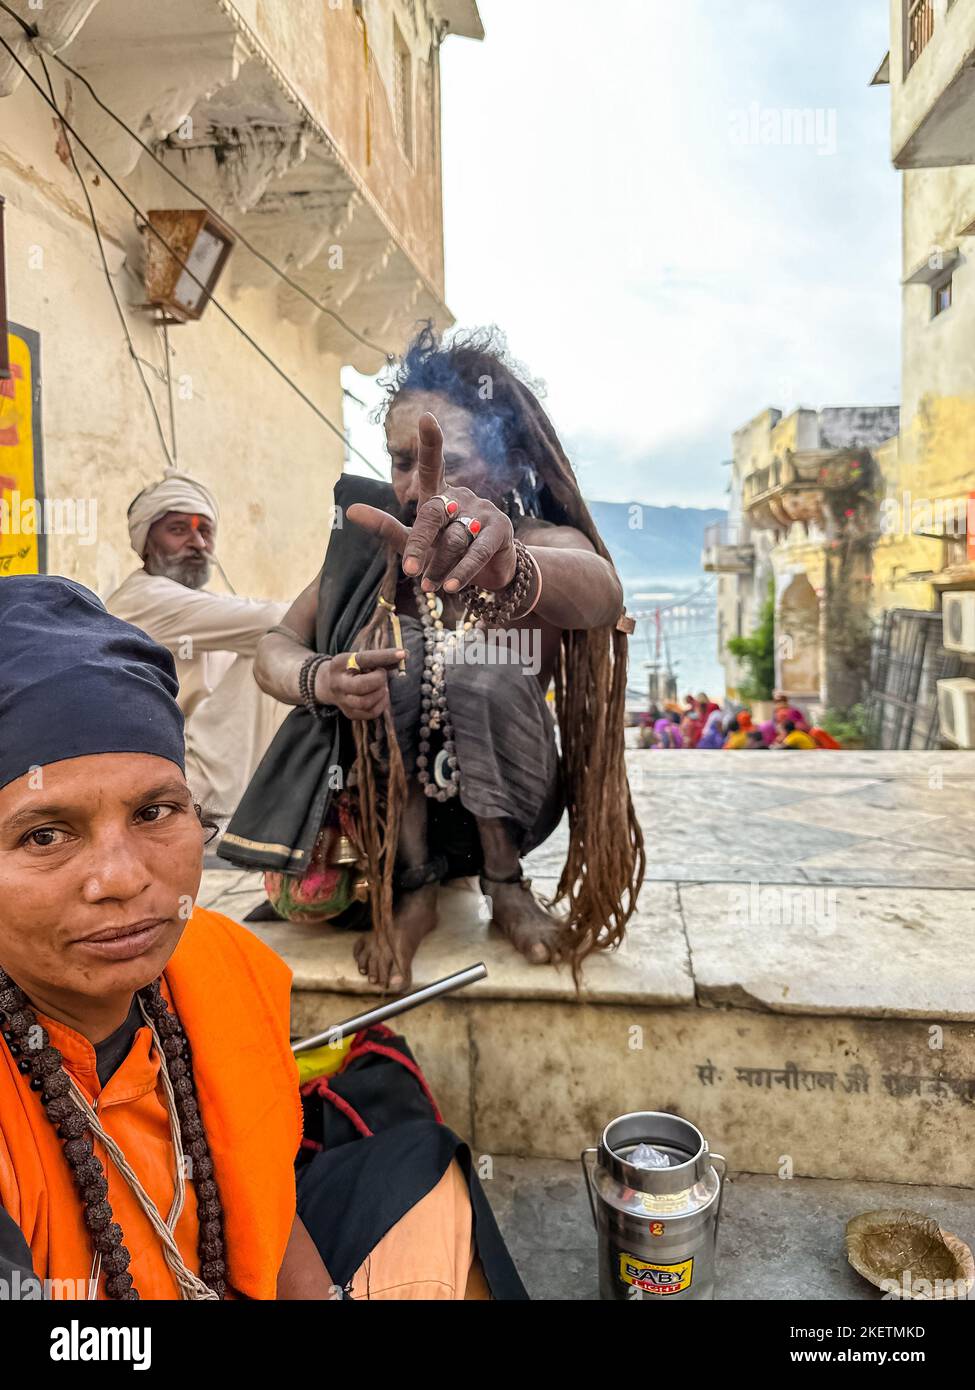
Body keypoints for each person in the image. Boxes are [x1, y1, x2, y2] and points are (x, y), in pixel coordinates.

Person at [0, 576, 524, 1300]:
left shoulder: (220, 963)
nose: (121, 879)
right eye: (46, 834)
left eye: (155, 811)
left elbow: (266, 1210)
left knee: (416, 1164)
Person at [220, 327, 645, 990]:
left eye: (447, 462)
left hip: (517, 805)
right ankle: (411, 887)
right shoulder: (376, 545)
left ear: (505, 467)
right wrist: (323, 680)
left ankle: (505, 886)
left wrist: (513, 568)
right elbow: (273, 648)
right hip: (386, 817)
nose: (419, 486)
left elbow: (600, 592)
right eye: (401, 461)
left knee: (479, 665)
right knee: (391, 655)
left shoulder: (543, 541)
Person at [107, 472, 289, 826]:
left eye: (205, 531)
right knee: (272, 645)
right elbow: (276, 618)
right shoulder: (143, 598)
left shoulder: (201, 608)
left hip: (205, 773)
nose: (198, 543)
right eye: (179, 530)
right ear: (147, 542)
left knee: (278, 645)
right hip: (167, 777)